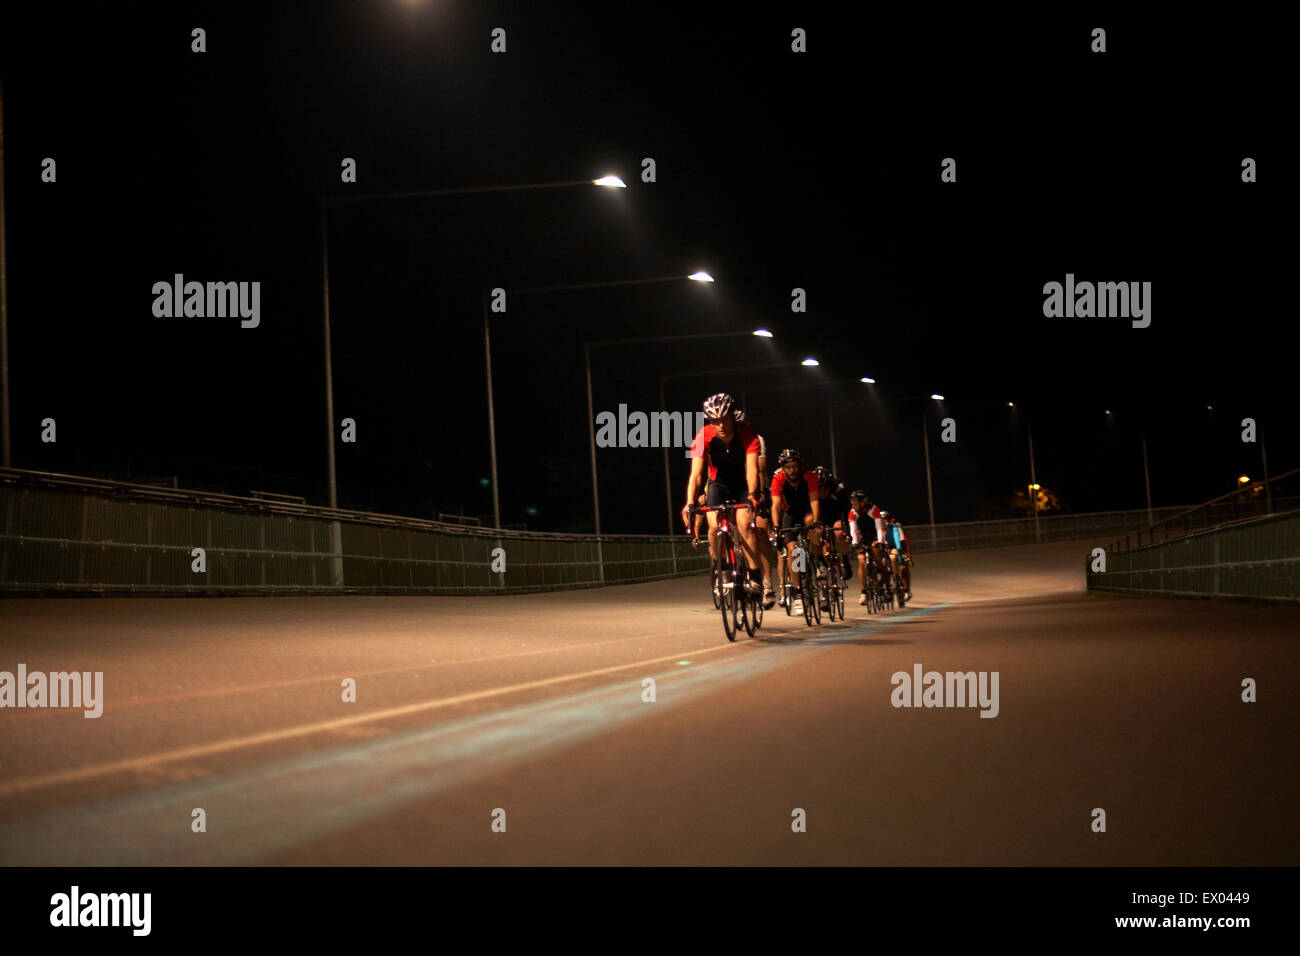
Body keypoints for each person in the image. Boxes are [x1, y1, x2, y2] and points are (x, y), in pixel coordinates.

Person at [681, 393, 763, 599]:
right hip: (718, 483)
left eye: (725, 420)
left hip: (742, 483)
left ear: (732, 418)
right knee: (715, 527)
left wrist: (753, 495)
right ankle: (723, 568)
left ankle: (755, 576)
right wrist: (690, 502)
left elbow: (752, 469)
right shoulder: (703, 436)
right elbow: (696, 475)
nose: (721, 426)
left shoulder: (747, 432)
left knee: (745, 525)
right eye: (715, 421)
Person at [770, 448, 820, 616]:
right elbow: (776, 504)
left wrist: (816, 521)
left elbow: (814, 500)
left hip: (806, 511)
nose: (792, 470)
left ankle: (818, 560)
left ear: (800, 466)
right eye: (788, 467)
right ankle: (798, 594)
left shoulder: (810, 476)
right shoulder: (778, 479)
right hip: (789, 513)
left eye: (795, 466)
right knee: (792, 550)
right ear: (783, 468)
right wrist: (776, 527)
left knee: (811, 523)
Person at [735, 410, 776, 609]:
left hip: (756, 488)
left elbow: (759, 469)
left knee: (759, 531)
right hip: (733, 488)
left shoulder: (755, 438)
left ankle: (767, 583)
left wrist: (758, 494)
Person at [881, 510, 913, 604]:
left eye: (885, 520)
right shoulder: (878, 529)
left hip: (897, 549)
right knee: (883, 567)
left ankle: (906, 589)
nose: (884, 523)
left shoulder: (896, 527)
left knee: (903, 568)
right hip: (885, 551)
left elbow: (903, 542)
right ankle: (887, 589)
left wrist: (907, 555)